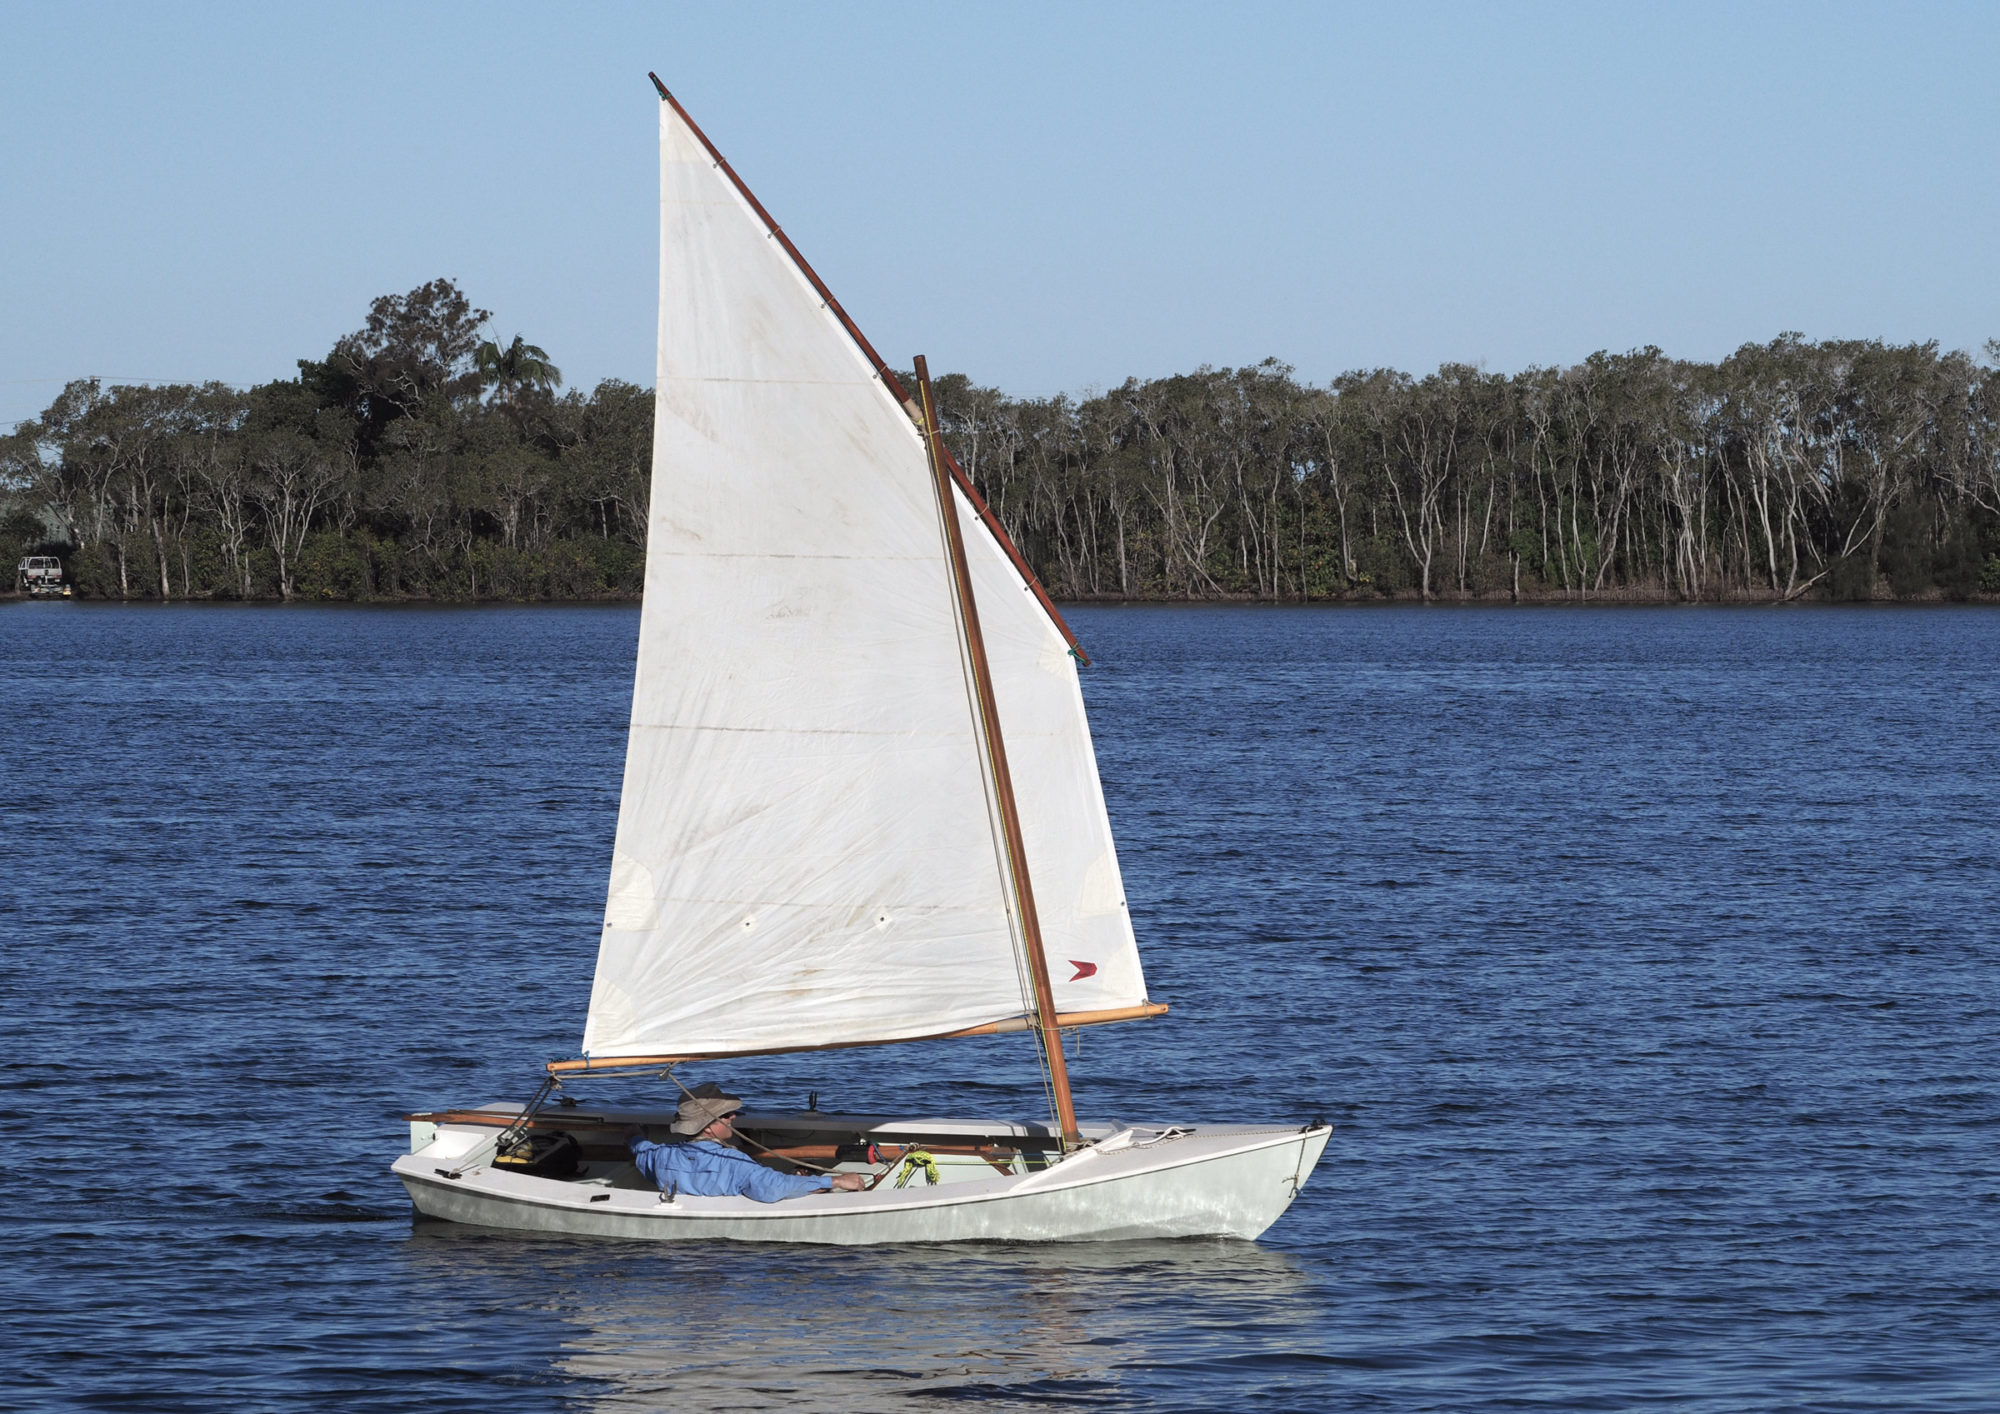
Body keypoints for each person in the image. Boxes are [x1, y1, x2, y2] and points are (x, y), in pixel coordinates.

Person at [626, 1091, 868, 1201]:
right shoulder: (736, 1165)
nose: (734, 1117)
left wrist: (633, 1132)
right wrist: (835, 1181)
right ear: (709, 1126)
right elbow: (775, 1188)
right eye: (729, 1114)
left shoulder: (658, 1157)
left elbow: (638, 1146)